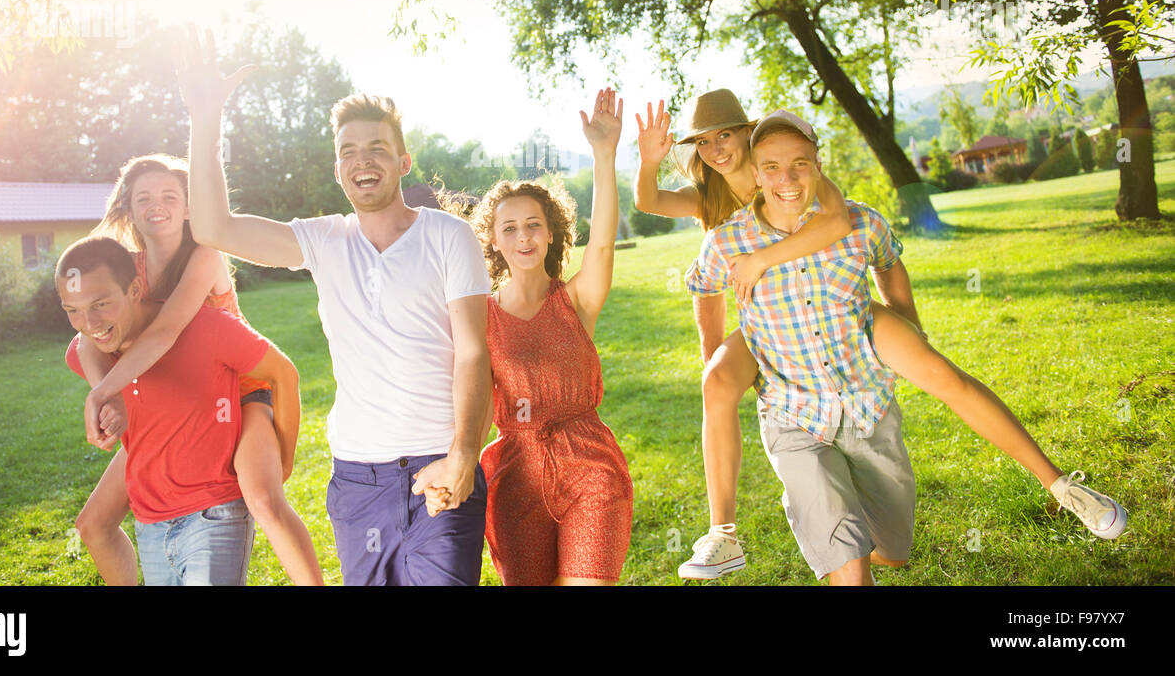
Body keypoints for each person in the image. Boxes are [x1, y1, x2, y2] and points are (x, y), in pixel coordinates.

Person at [684, 110, 1127, 584]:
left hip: (866, 403)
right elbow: (703, 286)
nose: (786, 178)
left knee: (892, 548)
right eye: (771, 166)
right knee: (847, 559)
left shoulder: (858, 223)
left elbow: (889, 261)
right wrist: (718, 357)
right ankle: (730, 533)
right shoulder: (728, 241)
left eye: (800, 164)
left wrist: (906, 318)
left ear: (819, 165)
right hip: (794, 416)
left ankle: (1061, 486)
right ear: (754, 172)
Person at [174, 36, 493, 586]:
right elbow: (213, 228)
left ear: (402, 161)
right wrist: (206, 119)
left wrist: (464, 456)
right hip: (358, 480)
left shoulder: (449, 236)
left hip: (438, 466)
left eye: (376, 148)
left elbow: (473, 351)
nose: (361, 160)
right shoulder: (324, 240)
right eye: (347, 151)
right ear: (337, 168)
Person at [72, 155, 323, 586]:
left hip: (239, 392)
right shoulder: (126, 269)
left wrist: (107, 390)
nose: (158, 204)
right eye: (144, 197)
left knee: (263, 498)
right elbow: (83, 341)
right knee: (93, 525)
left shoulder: (205, 256)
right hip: (174, 404)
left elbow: (166, 330)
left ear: (189, 207)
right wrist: (108, 392)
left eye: (170, 196)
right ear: (129, 208)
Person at [634, 89, 855, 578]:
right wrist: (649, 160)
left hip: (816, 314)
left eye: (726, 134)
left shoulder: (786, 173)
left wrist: (761, 260)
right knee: (715, 382)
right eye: (703, 142)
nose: (715, 148)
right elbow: (647, 199)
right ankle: (723, 535)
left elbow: (841, 221)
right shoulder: (707, 196)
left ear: (748, 131)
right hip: (762, 321)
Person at [460, 87, 633, 586]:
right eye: (509, 228)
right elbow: (468, 400)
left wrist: (604, 153)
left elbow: (602, 243)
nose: (523, 237)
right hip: (515, 476)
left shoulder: (575, 300)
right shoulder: (479, 316)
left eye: (533, 224)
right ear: (494, 240)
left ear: (552, 232)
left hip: (588, 463)